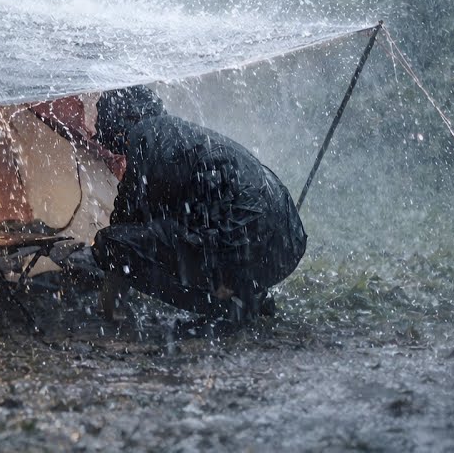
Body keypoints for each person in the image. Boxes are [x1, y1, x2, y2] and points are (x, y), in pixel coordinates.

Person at [90, 85, 306, 328]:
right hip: (286, 244)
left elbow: (124, 233)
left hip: (243, 246)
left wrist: (109, 306)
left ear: (122, 119)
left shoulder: (145, 139)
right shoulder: (186, 135)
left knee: (109, 244)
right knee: (187, 237)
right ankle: (248, 291)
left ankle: (233, 308)